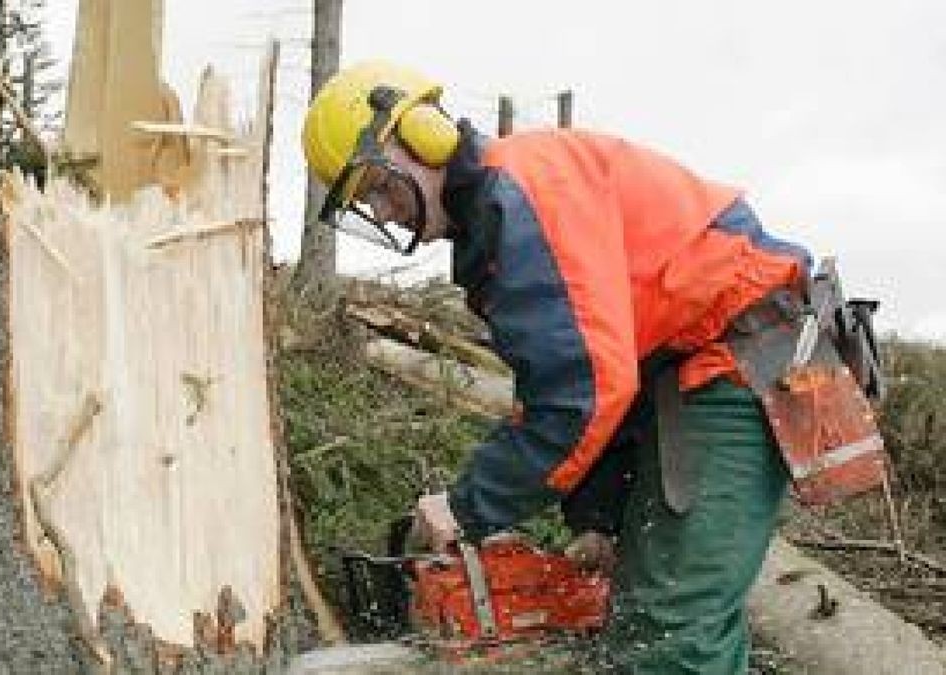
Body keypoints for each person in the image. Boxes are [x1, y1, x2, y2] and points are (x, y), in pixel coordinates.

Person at [301, 61, 821, 674]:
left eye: (380, 188)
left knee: (674, 630)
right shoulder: (490, 227)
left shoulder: (522, 196)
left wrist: (467, 508)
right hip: (681, 375)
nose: (386, 213)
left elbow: (584, 391)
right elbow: (580, 375)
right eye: (368, 204)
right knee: (652, 615)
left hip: (741, 354)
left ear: (422, 136)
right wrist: (598, 516)